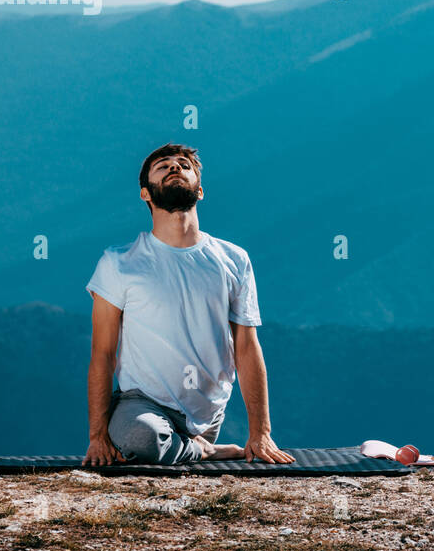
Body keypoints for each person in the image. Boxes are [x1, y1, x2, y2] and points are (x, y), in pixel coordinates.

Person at [81, 143, 295, 467]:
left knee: (148, 444)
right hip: (143, 406)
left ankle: (196, 444)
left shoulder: (233, 260)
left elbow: (247, 348)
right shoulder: (119, 263)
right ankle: (202, 452)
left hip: (207, 415)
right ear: (145, 194)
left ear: (200, 191)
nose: (174, 167)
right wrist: (98, 437)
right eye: (162, 166)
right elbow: (103, 354)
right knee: (142, 439)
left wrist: (260, 433)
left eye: (183, 164)